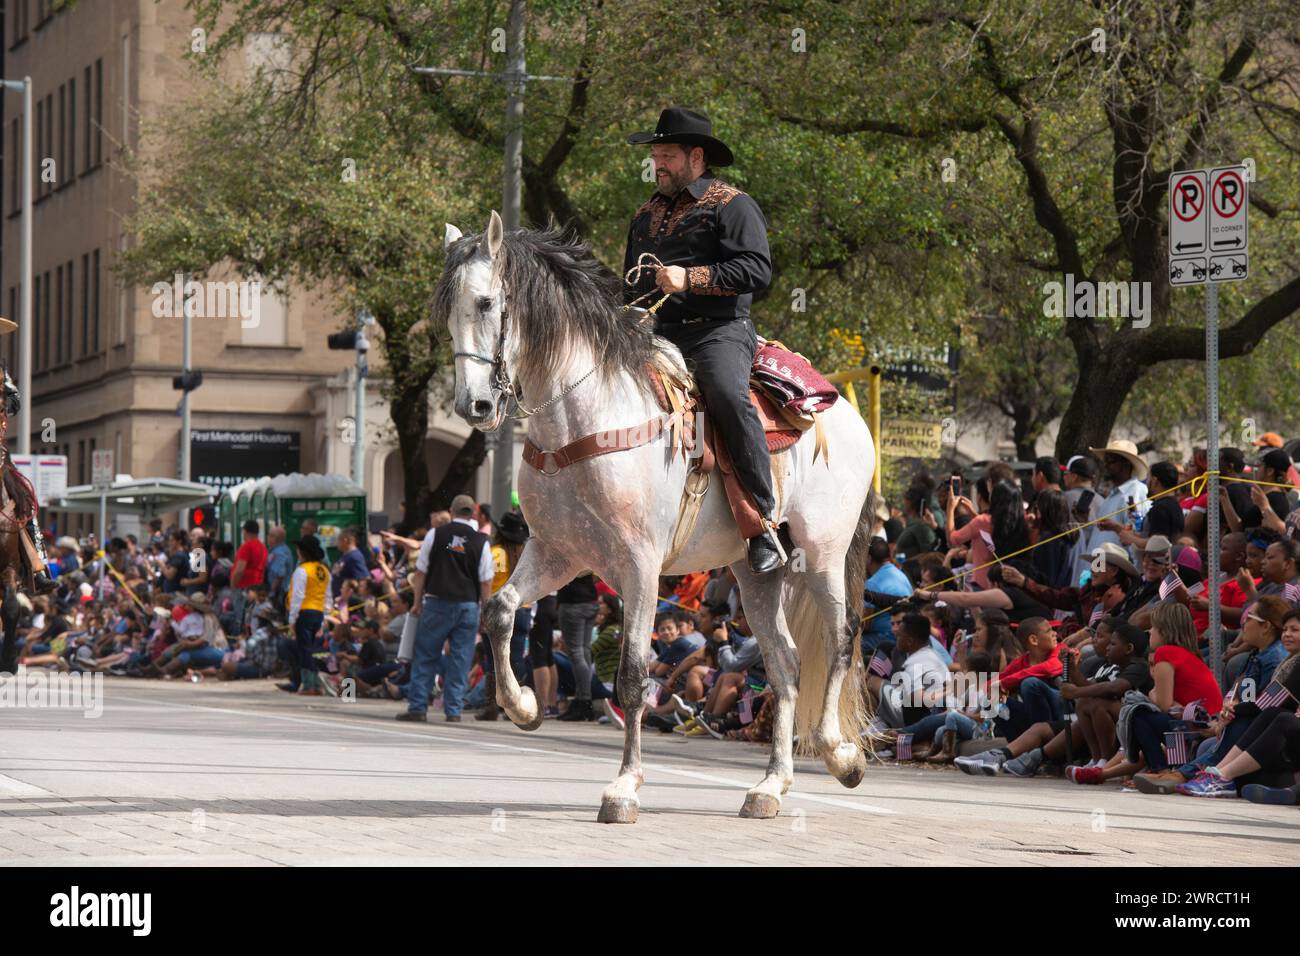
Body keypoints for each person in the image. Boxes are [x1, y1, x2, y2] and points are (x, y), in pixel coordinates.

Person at [623, 106, 781, 573]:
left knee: (727, 394)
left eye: (667, 155)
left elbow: (757, 270)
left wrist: (689, 278)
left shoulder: (732, 204)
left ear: (696, 156)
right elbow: (632, 281)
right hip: (656, 333)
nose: (659, 164)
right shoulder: (644, 214)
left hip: (719, 332)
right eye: (656, 155)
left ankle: (763, 522)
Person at [400, 494, 493, 723]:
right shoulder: (482, 541)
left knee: (426, 655)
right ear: (472, 513)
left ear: (451, 511)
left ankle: (418, 707)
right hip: (467, 606)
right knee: (461, 659)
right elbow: (486, 581)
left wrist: (416, 602)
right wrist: (485, 611)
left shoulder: (435, 534)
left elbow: (421, 572)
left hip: (436, 602)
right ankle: (453, 711)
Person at [477, 511, 532, 722]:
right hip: (522, 609)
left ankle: (491, 706)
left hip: (498, 609)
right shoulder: (526, 556)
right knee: (517, 659)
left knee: (493, 660)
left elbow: (485, 582)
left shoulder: (493, 553)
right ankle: (515, 708)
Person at [283, 535, 332, 695]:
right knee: (308, 647)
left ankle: (311, 685)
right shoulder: (324, 571)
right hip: (318, 612)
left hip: (304, 612)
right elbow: (327, 595)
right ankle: (307, 683)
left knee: (304, 649)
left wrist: (292, 618)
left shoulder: (302, 570)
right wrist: (325, 614)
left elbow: (298, 595)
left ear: (303, 552)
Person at [556, 571, 601, 721]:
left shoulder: (567, 547)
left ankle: (584, 702)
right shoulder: (590, 549)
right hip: (590, 601)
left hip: (572, 602)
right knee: (584, 651)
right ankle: (582, 700)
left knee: (576, 653)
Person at [264, 525, 294, 605]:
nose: (268, 537)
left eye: (271, 535)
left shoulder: (279, 553)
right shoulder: (283, 549)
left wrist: (272, 594)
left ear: (278, 538)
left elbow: (280, 575)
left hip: (279, 594)